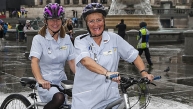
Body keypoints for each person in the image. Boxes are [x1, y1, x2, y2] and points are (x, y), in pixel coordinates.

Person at [71, 3, 154, 109]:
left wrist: (144, 72)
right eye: (91, 21)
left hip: (111, 98)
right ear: (86, 23)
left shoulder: (114, 38)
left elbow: (134, 55)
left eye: (99, 20)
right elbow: (86, 61)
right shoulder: (80, 40)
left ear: (104, 21)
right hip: (87, 101)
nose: (96, 24)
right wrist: (107, 73)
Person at [29, 3, 75, 109]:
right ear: (46, 21)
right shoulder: (39, 39)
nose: (55, 23)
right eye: (51, 19)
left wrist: (83, 78)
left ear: (62, 20)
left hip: (62, 81)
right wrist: (40, 80)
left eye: (58, 19)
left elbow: (72, 61)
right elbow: (34, 61)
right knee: (59, 98)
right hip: (46, 83)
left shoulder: (66, 38)